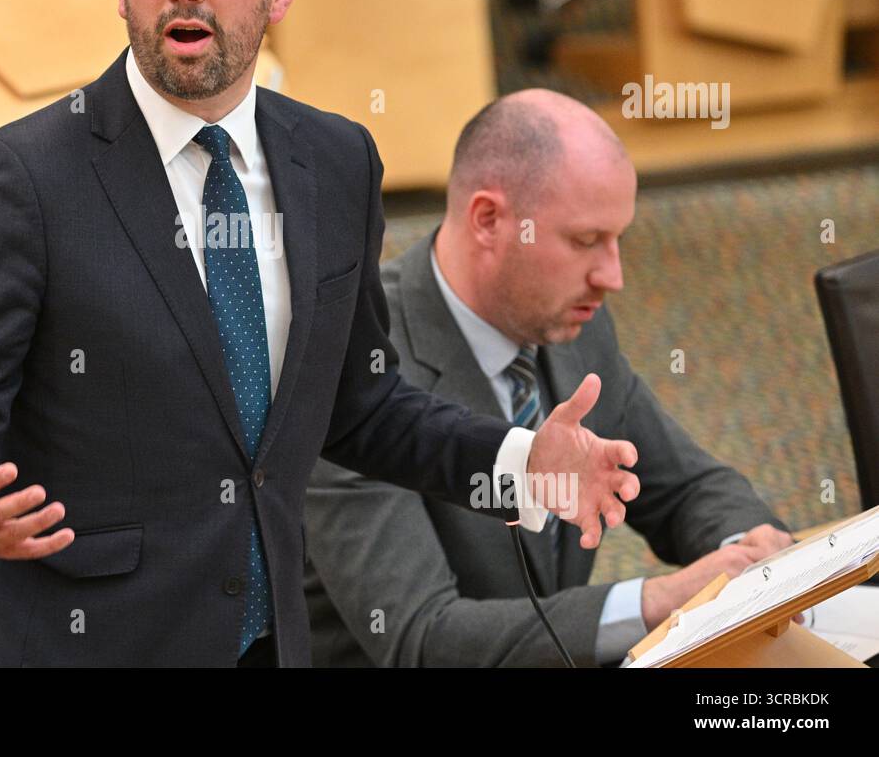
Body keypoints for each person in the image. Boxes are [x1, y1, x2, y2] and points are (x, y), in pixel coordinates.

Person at [0, 0, 639, 667]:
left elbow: (362, 407)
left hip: (263, 642)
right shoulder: (25, 178)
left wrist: (522, 463)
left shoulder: (336, 160)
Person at [304, 90, 792, 667]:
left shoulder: (570, 318)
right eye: (586, 241)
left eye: (619, 240)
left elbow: (684, 486)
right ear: (488, 220)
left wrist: (748, 552)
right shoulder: (354, 364)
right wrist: (659, 602)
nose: (613, 277)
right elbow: (423, 638)